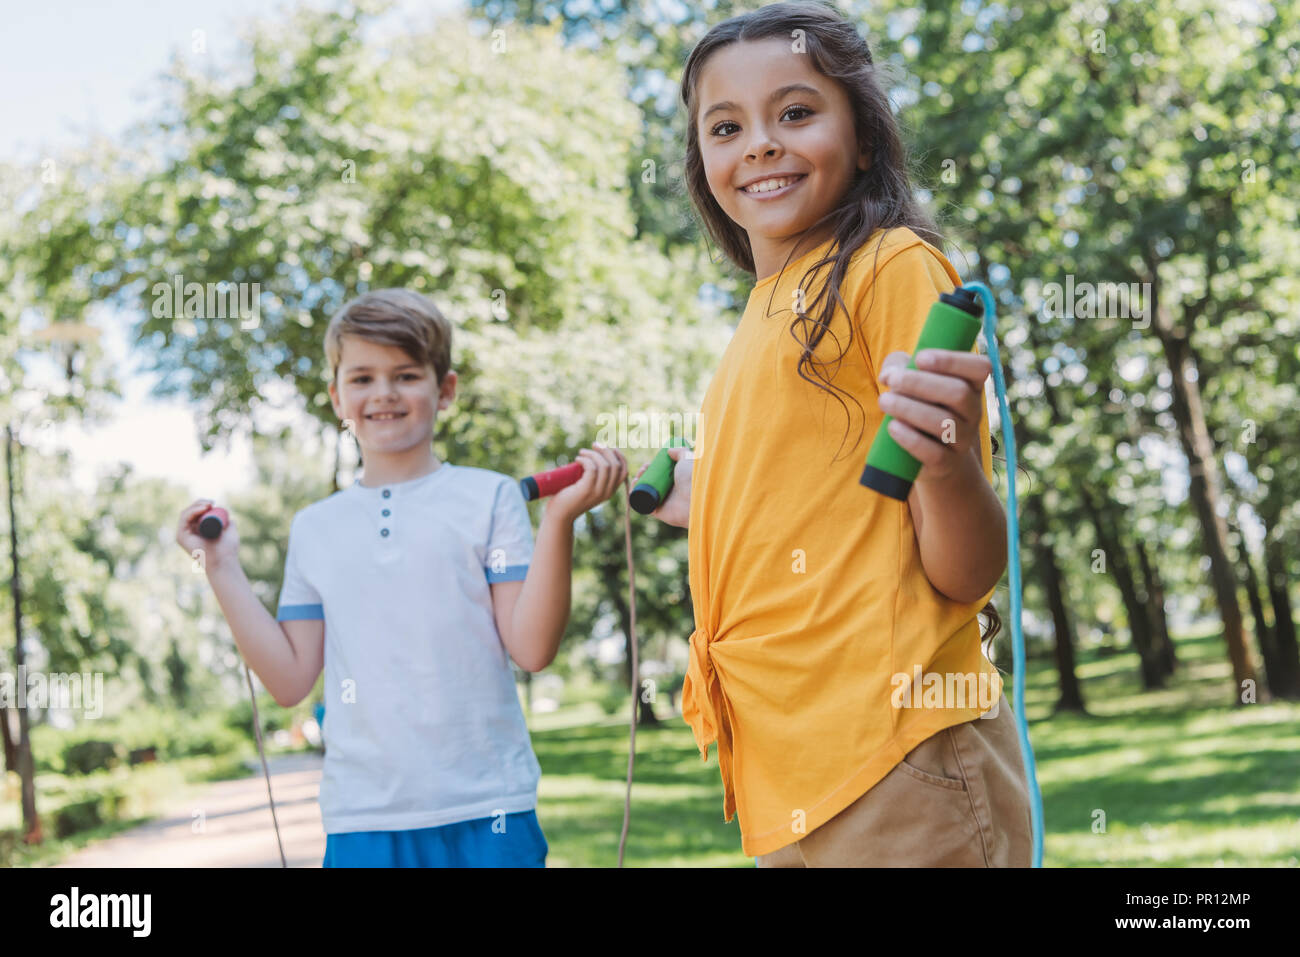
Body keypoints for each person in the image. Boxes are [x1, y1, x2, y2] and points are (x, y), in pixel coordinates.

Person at [637, 1, 1032, 866]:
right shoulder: (758, 317)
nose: (761, 144)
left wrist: (947, 460)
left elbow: (964, 568)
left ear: (863, 138)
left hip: (896, 753)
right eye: (726, 126)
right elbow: (814, 497)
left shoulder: (888, 265)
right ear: (703, 164)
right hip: (791, 769)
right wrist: (705, 498)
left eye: (796, 112)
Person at [177, 288, 627, 867]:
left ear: (445, 390)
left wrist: (559, 520)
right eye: (362, 378)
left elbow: (532, 648)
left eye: (406, 374)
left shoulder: (488, 497)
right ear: (337, 397)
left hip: (489, 808)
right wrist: (221, 567)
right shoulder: (316, 527)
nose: (384, 393)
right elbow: (289, 681)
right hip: (365, 819)